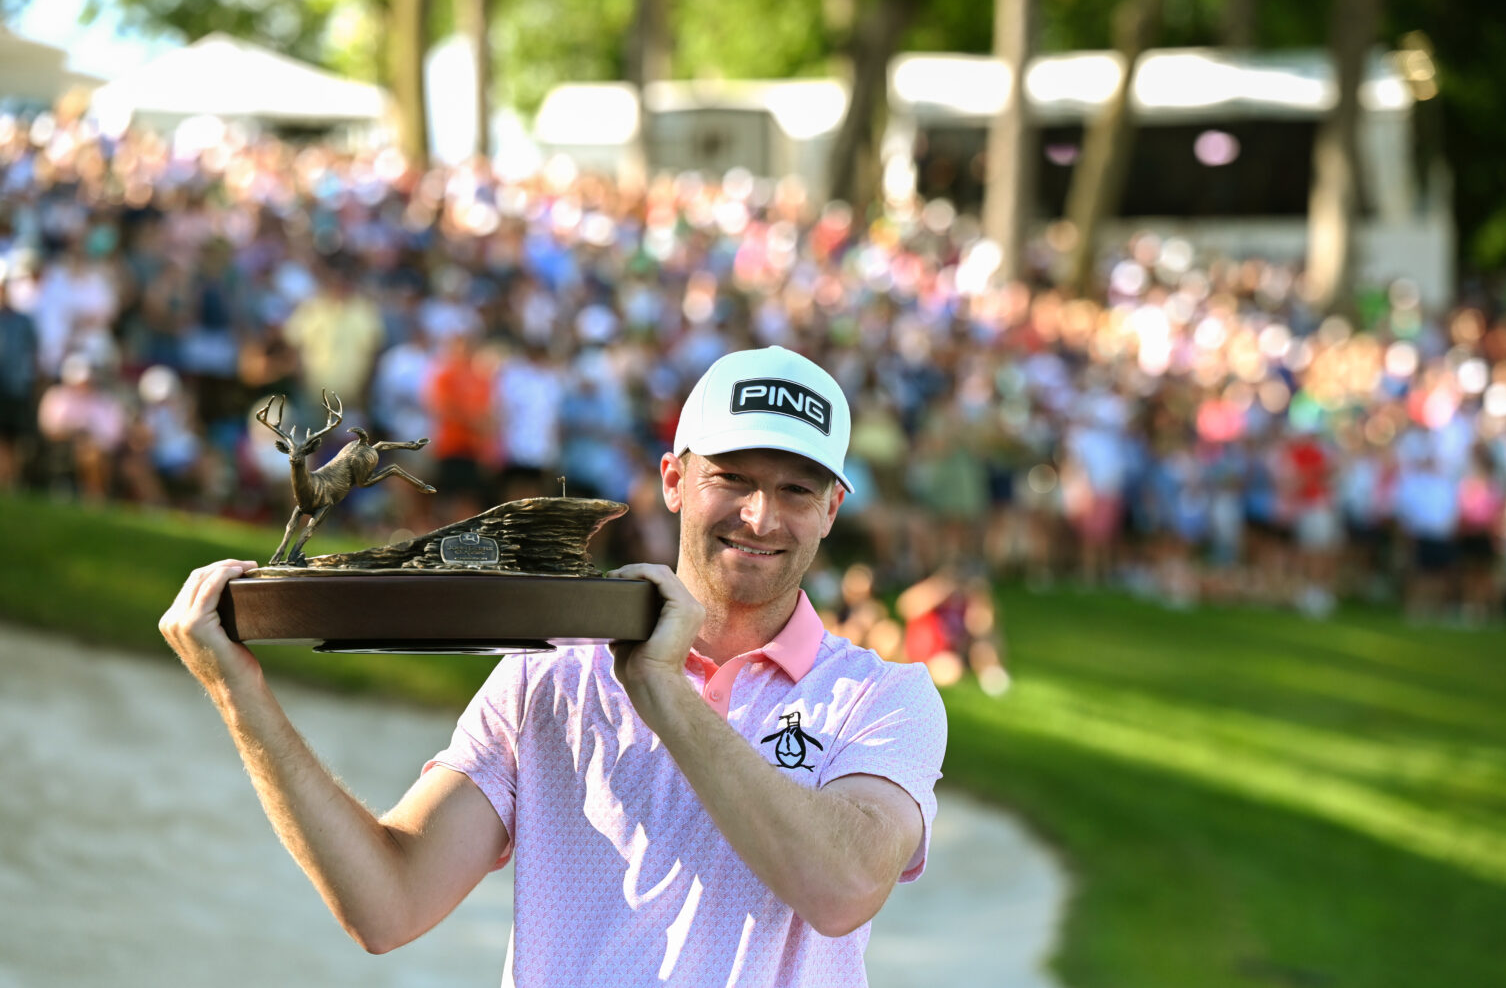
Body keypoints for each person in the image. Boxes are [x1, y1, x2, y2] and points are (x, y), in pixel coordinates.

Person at [158, 345, 947, 987]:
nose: (760, 516)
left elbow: (841, 887)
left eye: (796, 490)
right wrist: (241, 696)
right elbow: (388, 902)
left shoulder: (883, 698)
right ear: (674, 481)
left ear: (833, 508)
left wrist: (661, 690)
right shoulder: (552, 671)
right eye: (731, 479)